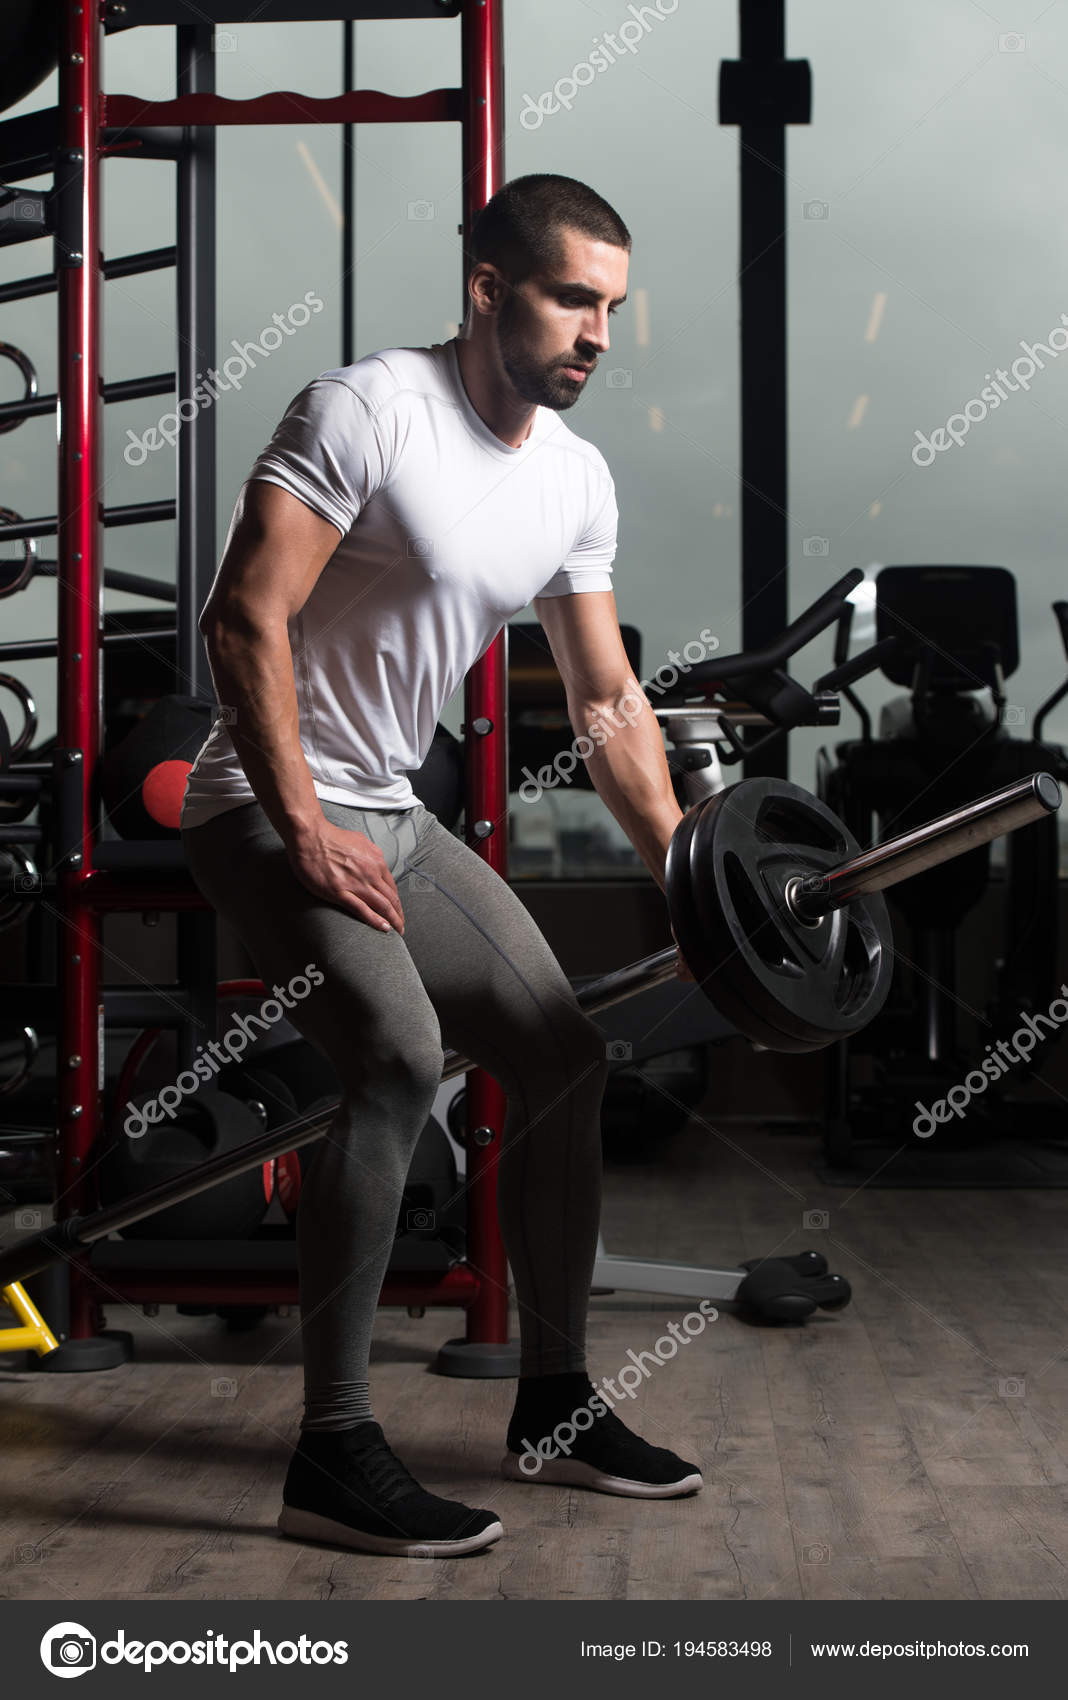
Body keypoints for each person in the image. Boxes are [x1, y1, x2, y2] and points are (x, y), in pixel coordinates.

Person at [180, 173, 702, 1559]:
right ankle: (335, 1449)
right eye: (571, 299)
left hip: (392, 818)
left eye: (612, 309)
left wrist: (689, 878)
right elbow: (244, 621)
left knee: (564, 1058)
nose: (598, 333)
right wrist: (300, 824)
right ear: (487, 289)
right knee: (402, 1060)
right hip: (260, 804)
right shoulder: (363, 410)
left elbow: (606, 705)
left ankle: (556, 1404)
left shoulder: (573, 478)